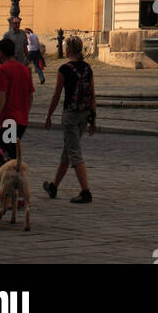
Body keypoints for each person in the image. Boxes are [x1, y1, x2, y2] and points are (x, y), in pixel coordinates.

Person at [0, 38, 34, 203]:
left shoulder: (3, 70)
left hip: (9, 120)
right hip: (21, 120)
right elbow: (31, 94)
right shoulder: (24, 69)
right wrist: (25, 112)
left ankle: (14, 196)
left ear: (1, 53)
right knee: (1, 154)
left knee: (8, 159)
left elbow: (1, 94)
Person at [43, 35, 96, 204]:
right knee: (67, 151)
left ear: (67, 50)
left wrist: (49, 115)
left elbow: (57, 95)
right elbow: (93, 95)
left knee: (74, 153)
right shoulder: (88, 68)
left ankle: (85, 191)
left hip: (71, 115)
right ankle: (54, 186)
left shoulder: (64, 69)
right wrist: (93, 120)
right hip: (85, 114)